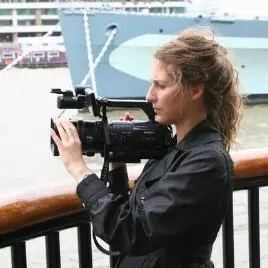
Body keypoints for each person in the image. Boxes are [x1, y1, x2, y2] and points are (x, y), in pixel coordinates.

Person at [51, 27, 243, 268]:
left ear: (195, 89)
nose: (150, 96)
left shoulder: (207, 162)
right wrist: (117, 161)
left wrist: (79, 170)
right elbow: (130, 215)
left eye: (160, 85)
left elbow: (131, 232)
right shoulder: (174, 150)